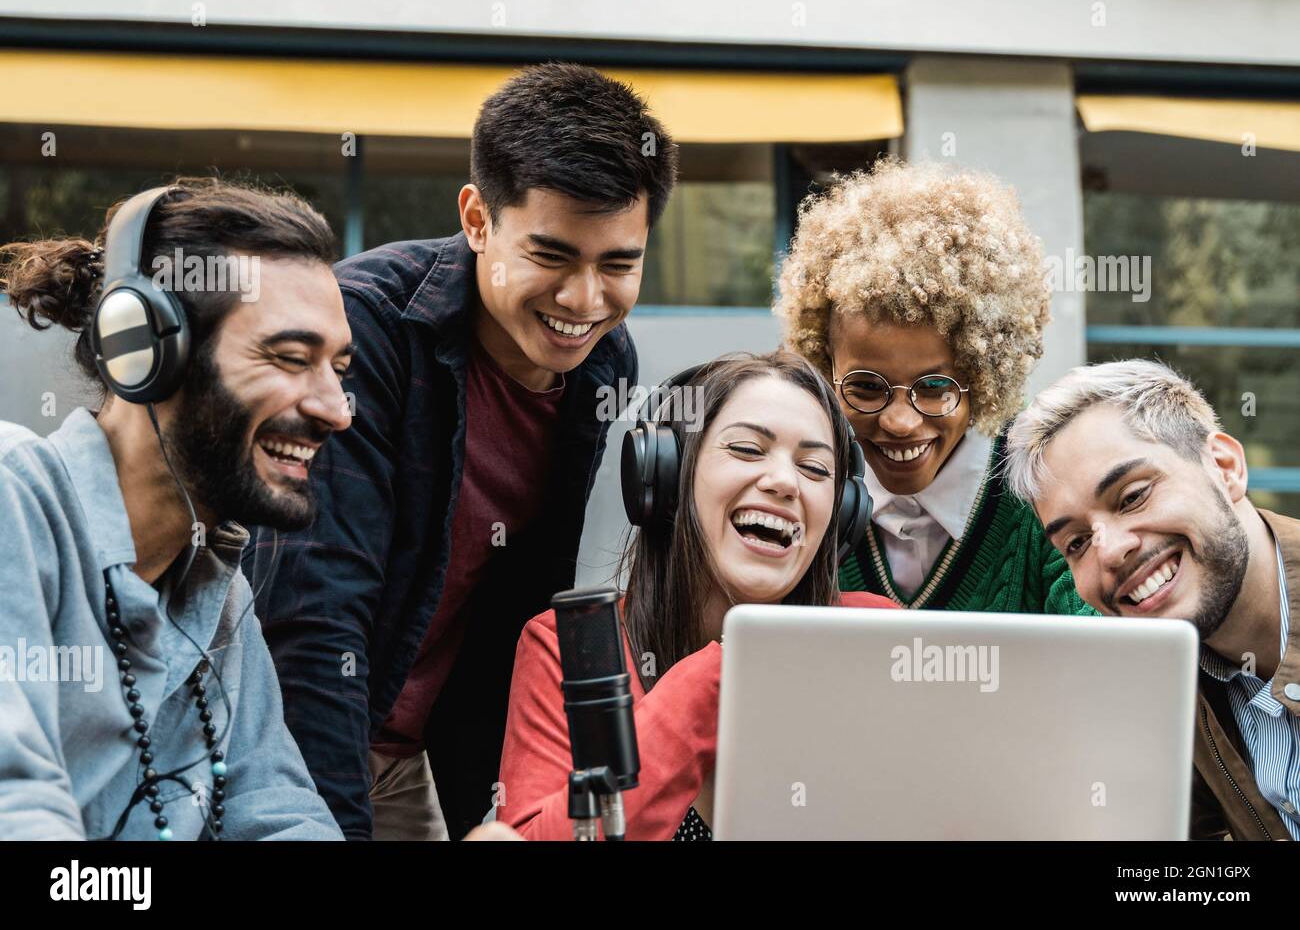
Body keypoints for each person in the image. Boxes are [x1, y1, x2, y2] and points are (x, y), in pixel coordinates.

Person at [247, 62, 679, 839]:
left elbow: (521, 604)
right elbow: (315, 611)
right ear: (478, 220)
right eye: (551, 255)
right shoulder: (363, 330)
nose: (585, 301)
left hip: (417, 755)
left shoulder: (605, 361)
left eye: (619, 263)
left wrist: (505, 803)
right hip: (283, 740)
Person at [0, 178, 348, 839]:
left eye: (340, 368)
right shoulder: (12, 499)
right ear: (147, 353)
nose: (337, 409)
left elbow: (279, 814)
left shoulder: (219, 589)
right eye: (291, 358)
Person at [497, 352, 896, 840]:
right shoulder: (579, 647)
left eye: (814, 468)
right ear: (668, 476)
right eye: (747, 449)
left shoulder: (873, 637)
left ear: (841, 513)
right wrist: (716, 677)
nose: (784, 482)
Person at [776, 158, 1093, 615]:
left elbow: (1104, 644)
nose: (900, 422)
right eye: (866, 387)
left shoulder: (1048, 485)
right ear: (826, 367)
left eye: (934, 387)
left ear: (983, 375)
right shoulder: (795, 486)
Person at [1005, 358, 1300, 841]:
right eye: (1076, 542)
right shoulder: (1169, 689)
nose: (1109, 551)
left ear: (1225, 468)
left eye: (1133, 496)